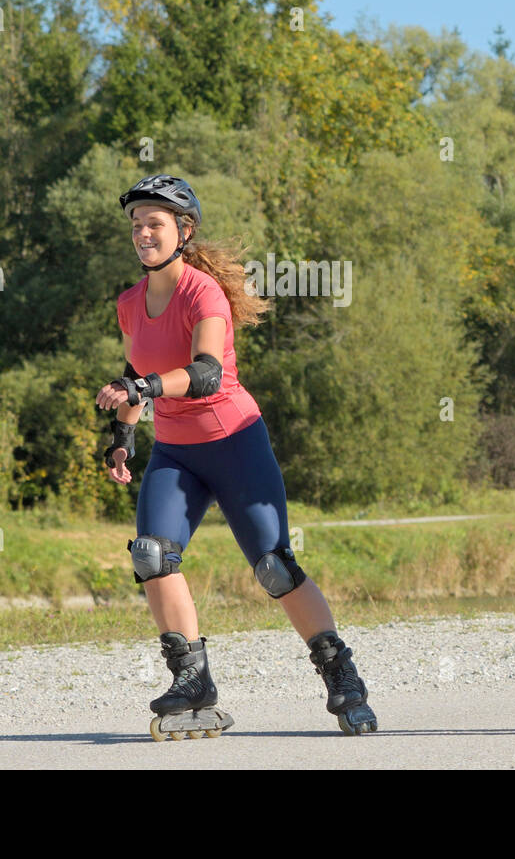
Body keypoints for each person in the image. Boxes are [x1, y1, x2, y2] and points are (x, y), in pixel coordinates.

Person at [95, 174, 378, 739]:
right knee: (152, 555)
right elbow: (135, 375)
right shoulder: (130, 303)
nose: (143, 234)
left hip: (234, 441)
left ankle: (340, 674)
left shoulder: (203, 293)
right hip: (176, 453)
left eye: (155, 223)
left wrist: (142, 391)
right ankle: (193, 681)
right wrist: (123, 437)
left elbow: (204, 374)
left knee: (274, 567)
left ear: (183, 230)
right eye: (136, 225)